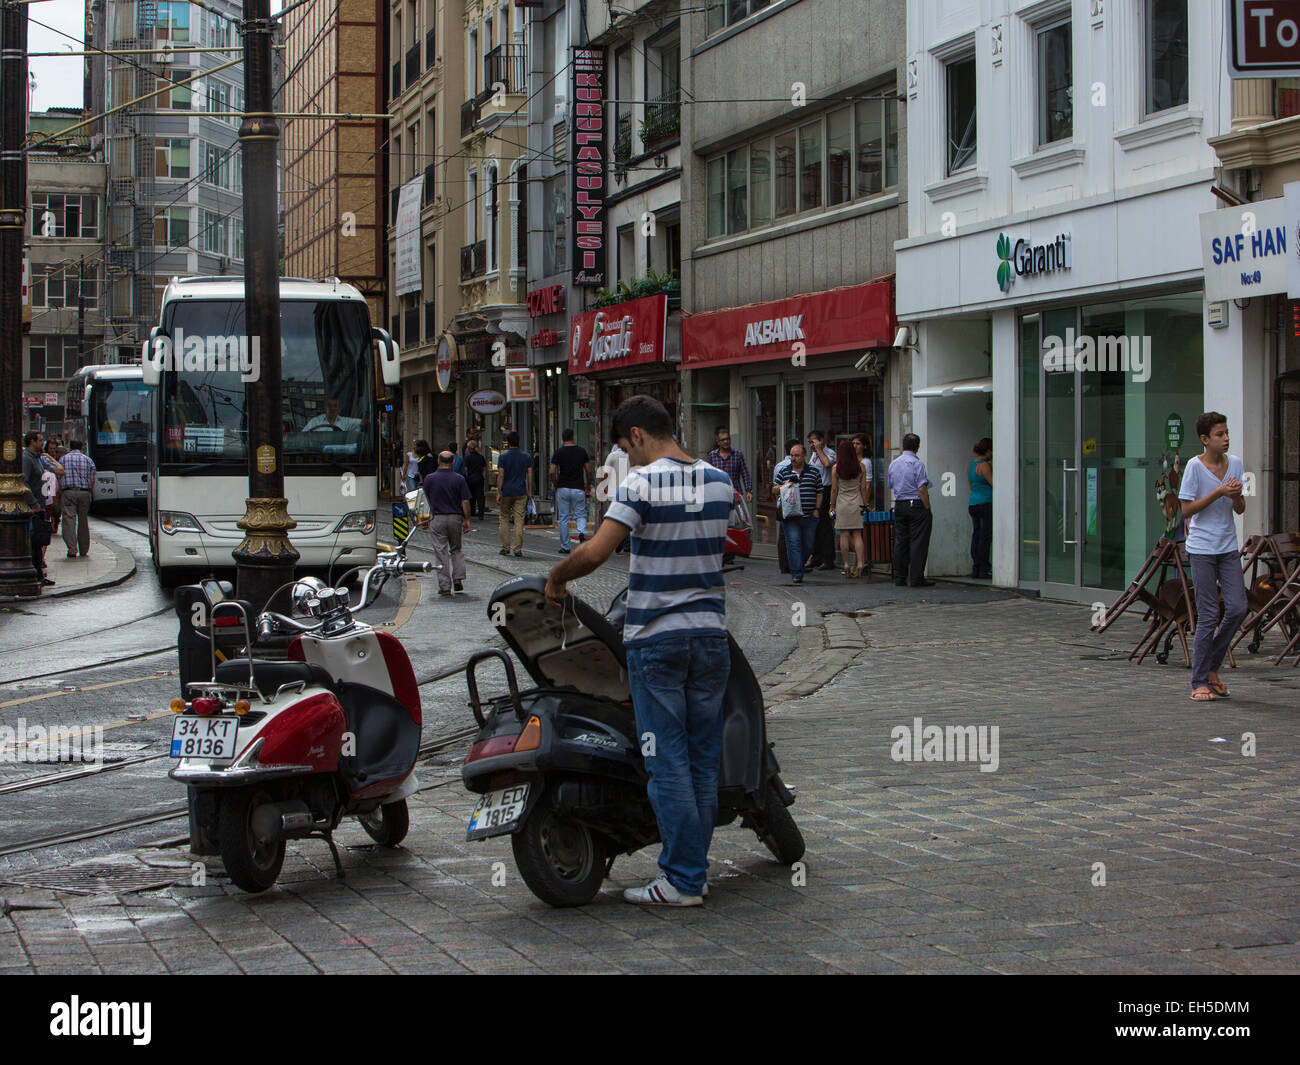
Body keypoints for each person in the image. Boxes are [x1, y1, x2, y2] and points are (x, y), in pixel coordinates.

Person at [544, 395, 734, 906]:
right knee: (700, 761)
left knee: (666, 761)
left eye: (627, 447)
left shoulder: (641, 483)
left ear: (636, 436)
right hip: (712, 639)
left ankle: (683, 880)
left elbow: (596, 550)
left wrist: (558, 577)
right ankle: (693, 871)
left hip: (657, 639)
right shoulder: (721, 481)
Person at [1178, 412, 1248, 702]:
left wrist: (1234, 496)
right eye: (1220, 434)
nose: (1226, 438)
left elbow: (1241, 509)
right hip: (1202, 549)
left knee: (1238, 608)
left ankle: (1211, 667)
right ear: (1205, 439)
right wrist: (1219, 491)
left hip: (1228, 547)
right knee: (1208, 615)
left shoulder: (1236, 464)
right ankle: (1199, 682)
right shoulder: (1194, 467)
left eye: (1227, 432)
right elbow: (1186, 510)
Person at [772, 443, 824, 585]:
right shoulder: (784, 471)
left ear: (804, 456)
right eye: (791, 455)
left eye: (796, 455)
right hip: (790, 516)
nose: (793, 458)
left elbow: (820, 491)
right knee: (794, 543)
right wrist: (785, 485)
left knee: (808, 545)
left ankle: (798, 565)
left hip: (809, 515)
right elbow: (774, 490)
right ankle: (797, 573)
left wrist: (817, 510)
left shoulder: (814, 472)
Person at [422, 450, 471, 596]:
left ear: (438, 461)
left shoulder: (429, 479)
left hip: (437, 518)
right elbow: (465, 501)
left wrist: (424, 519)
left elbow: (425, 500)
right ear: (453, 462)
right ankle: (458, 578)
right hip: (455, 518)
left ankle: (444, 586)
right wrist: (467, 519)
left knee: (441, 551)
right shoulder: (459, 479)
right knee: (456, 549)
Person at [888, 433, 934, 587]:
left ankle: (899, 577)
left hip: (900, 503)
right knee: (918, 541)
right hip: (916, 504)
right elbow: (921, 488)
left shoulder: (893, 463)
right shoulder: (917, 464)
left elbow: (892, 484)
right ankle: (916, 577)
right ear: (918, 447)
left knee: (901, 540)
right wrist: (927, 507)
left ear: (902, 446)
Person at [549, 428, 592, 554]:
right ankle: (582, 533)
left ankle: (566, 546)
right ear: (573, 437)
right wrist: (588, 485)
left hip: (563, 488)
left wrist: (556, 484)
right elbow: (589, 471)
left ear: (563, 438)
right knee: (580, 515)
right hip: (578, 488)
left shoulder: (558, 452)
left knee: (563, 518)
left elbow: (551, 471)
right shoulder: (582, 451)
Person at [830, 440, 868, 578]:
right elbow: (863, 488)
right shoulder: (861, 467)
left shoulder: (836, 468)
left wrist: (831, 505)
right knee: (857, 534)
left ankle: (846, 564)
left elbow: (834, 489)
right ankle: (859, 564)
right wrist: (866, 504)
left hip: (842, 502)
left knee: (844, 534)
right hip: (857, 501)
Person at [22, 432, 53, 586]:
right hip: (33, 507)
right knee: (34, 542)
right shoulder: (26, 458)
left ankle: (39, 574)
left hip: (39, 504)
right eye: (40, 440)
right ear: (32, 441)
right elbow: (24, 482)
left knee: (38, 541)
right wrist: (33, 503)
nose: (43, 443)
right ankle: (36, 574)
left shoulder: (36, 458)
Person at [496, 430, 533, 557]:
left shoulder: (503, 457)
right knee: (519, 520)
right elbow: (530, 475)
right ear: (519, 442)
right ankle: (517, 549)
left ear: (508, 442)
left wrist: (499, 492)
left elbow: (501, 475)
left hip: (506, 491)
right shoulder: (526, 456)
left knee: (504, 518)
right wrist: (530, 491)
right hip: (520, 491)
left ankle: (505, 547)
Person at [59, 439, 97, 561]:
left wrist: (60, 492)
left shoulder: (63, 459)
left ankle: (72, 549)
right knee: (83, 521)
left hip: (68, 492)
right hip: (84, 492)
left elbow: (59, 476)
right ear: (81, 447)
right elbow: (92, 479)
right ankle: (84, 549)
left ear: (70, 447)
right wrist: (90, 492)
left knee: (69, 520)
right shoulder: (88, 460)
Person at [806, 430, 837, 571]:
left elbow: (826, 464)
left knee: (825, 525)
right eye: (810, 443)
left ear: (821, 440)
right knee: (815, 525)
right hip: (814, 491)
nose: (811, 445)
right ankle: (816, 556)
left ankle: (828, 557)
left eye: (813, 441)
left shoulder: (829, 453)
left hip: (825, 490)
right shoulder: (812, 455)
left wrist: (819, 449)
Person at [705, 426, 753, 504]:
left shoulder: (738, 455)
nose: (726, 442)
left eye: (727, 439)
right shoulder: (712, 456)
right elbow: (708, 475)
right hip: (718, 495)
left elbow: (745, 473)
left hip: (735, 495)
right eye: (723, 440)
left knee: (735, 516)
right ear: (718, 441)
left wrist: (749, 491)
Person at [969, 438, 993, 579]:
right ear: (988, 450)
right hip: (986, 502)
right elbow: (993, 483)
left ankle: (976, 567)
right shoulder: (984, 466)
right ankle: (984, 567)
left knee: (976, 535)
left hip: (973, 503)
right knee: (985, 536)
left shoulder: (971, 465)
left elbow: (971, 485)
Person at [463, 436, 487, 519]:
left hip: (470, 478)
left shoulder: (467, 457)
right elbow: (483, 468)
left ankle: (472, 511)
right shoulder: (481, 457)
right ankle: (481, 514)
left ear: (469, 448)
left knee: (471, 496)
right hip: (479, 477)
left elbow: (465, 469)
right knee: (480, 496)